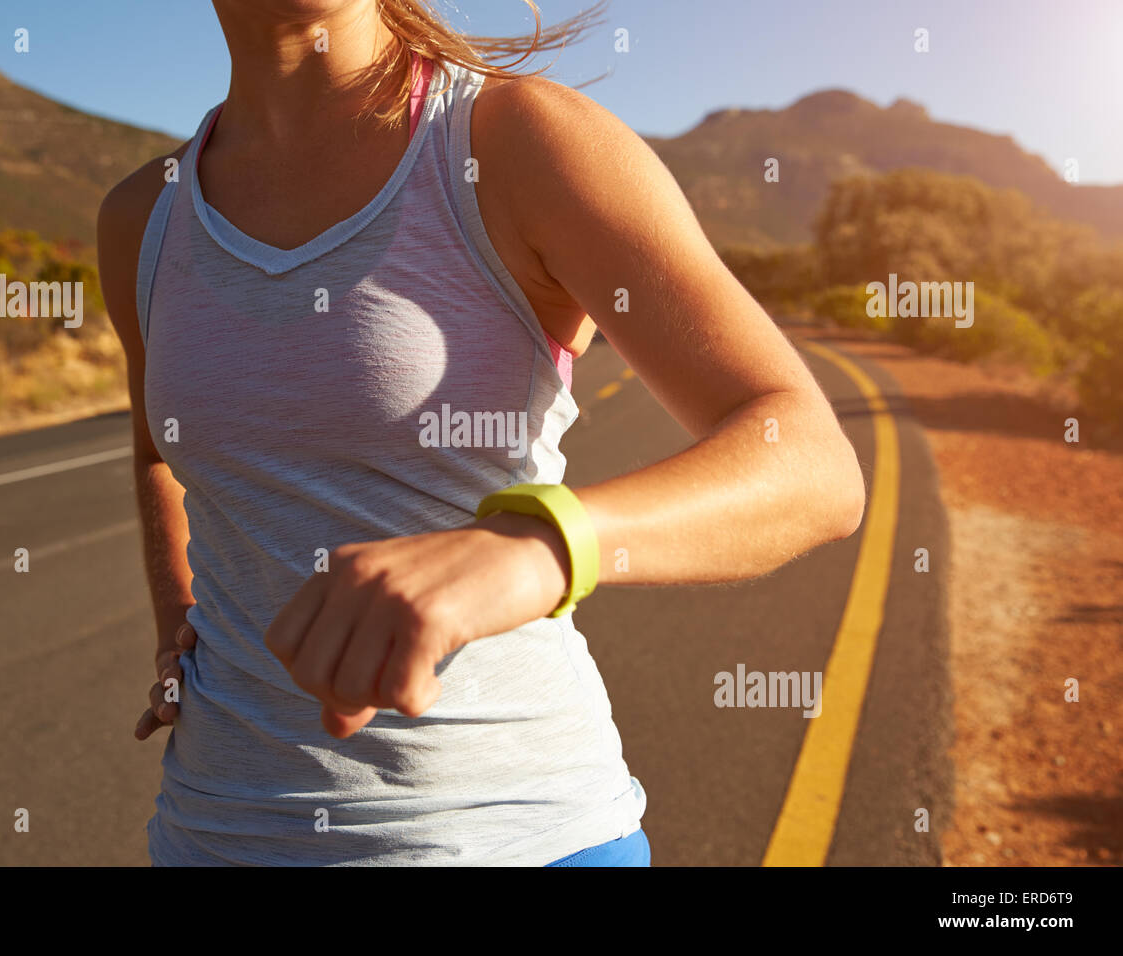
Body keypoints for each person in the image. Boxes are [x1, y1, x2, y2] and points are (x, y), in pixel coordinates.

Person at [96, 0, 865, 866]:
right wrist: (179, 619)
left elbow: (810, 462)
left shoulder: (515, 141)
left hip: (517, 832)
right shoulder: (142, 217)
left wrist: (534, 548)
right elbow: (158, 445)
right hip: (212, 833)